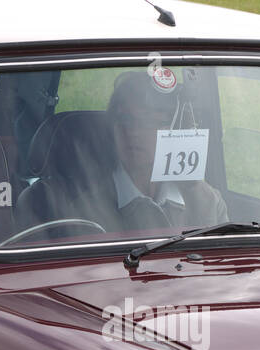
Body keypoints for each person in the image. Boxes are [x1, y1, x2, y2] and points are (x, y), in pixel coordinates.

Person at [16, 72, 228, 235]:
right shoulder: (79, 205)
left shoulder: (205, 201)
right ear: (112, 126)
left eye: (149, 122)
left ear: (176, 131)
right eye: (124, 120)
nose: (133, 132)